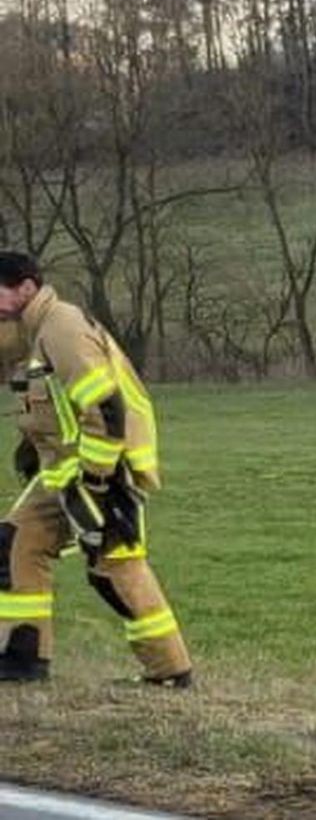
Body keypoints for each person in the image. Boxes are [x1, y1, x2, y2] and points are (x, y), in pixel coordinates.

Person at [0, 253, 192, 687]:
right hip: (62, 471)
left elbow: (106, 406)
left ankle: (170, 671)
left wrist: (96, 479)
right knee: (16, 542)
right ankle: (23, 659)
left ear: (26, 287)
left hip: (104, 468)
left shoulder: (61, 327)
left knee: (115, 567)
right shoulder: (30, 329)